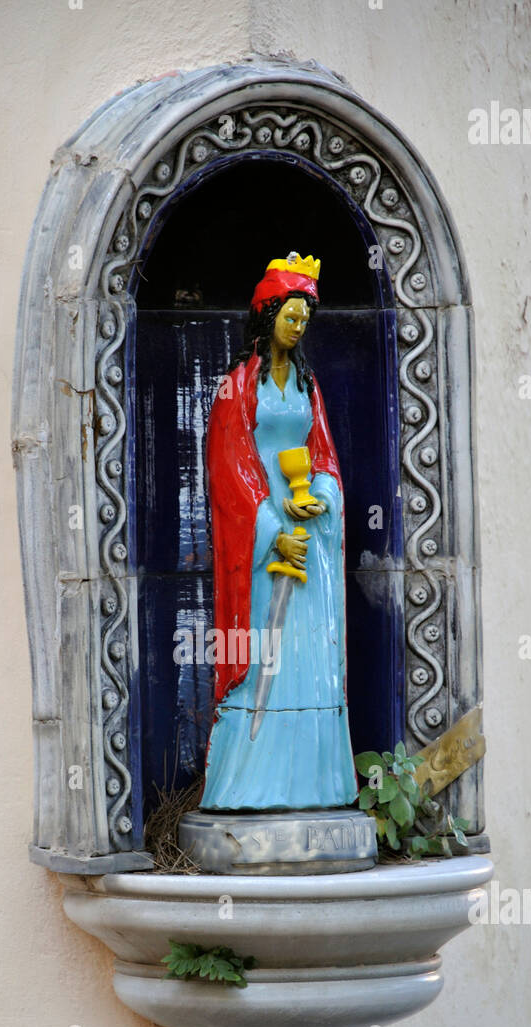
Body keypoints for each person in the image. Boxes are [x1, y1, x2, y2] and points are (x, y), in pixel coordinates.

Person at [199, 252, 358, 811]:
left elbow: (324, 456)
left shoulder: (308, 385)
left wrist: (323, 496)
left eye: (305, 319)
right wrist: (271, 532)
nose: (299, 326)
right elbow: (229, 468)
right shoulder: (237, 386)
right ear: (268, 316)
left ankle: (317, 786)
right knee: (270, 652)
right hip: (264, 542)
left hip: (306, 530)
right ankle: (249, 787)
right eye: (292, 315)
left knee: (307, 657)